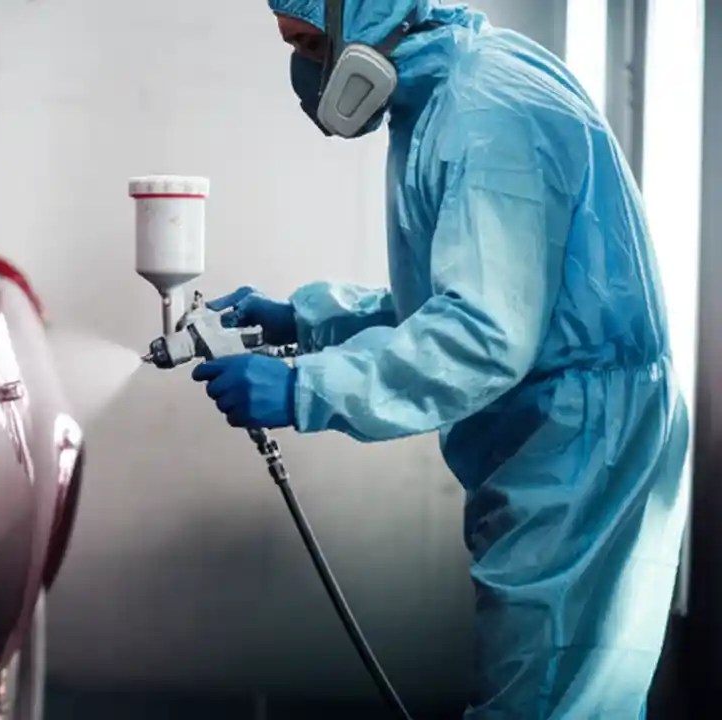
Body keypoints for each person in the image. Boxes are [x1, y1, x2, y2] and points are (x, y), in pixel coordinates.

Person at [192, 0, 690, 717]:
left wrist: (306, 389)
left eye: (307, 41)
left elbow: (485, 332)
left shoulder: (485, 113)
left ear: (358, 15)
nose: (303, 70)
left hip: (580, 446)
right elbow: (467, 294)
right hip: (560, 434)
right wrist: (306, 319)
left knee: (544, 703)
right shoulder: (445, 94)